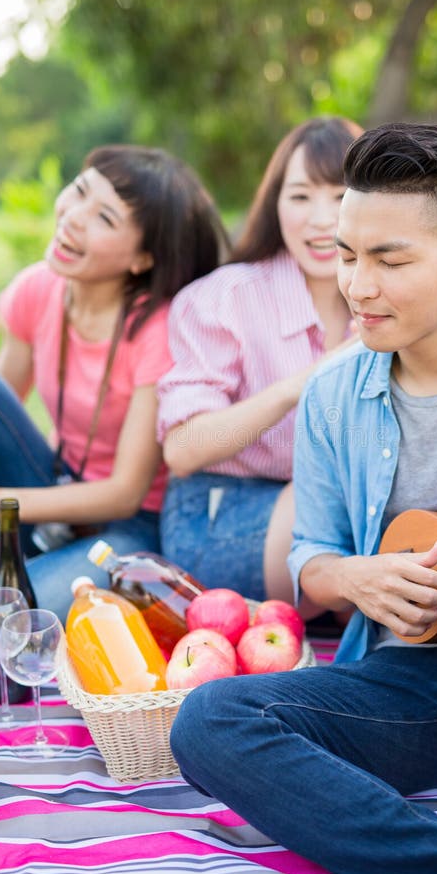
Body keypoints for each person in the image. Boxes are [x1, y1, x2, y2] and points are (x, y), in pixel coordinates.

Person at [169, 123, 437, 874]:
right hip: (411, 691)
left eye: (390, 261)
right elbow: (312, 557)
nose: (358, 287)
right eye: (347, 255)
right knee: (208, 719)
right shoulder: (332, 394)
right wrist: (354, 578)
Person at [0, 144, 227, 622]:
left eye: (104, 218)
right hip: (54, 490)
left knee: (6, 619)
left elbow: (125, 492)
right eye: (79, 192)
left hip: (127, 527)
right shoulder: (38, 288)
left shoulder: (157, 332)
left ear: (142, 259)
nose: (74, 218)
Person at [157, 116, 362, 608]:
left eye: (341, 196)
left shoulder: (391, 300)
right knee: (345, 507)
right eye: (301, 196)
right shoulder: (223, 299)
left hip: (347, 510)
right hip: (220, 513)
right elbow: (182, 450)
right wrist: (305, 382)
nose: (321, 219)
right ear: (275, 203)